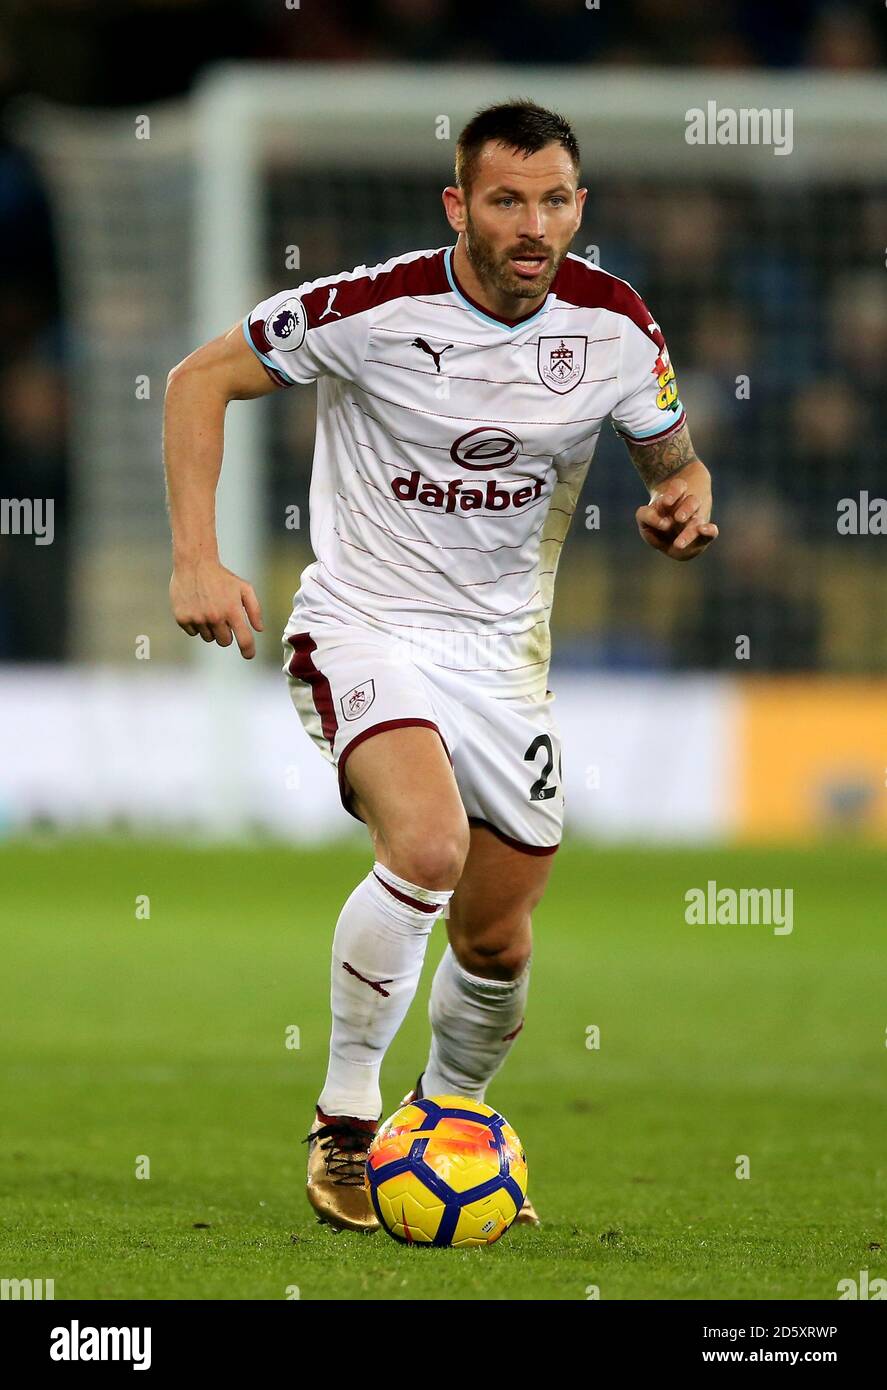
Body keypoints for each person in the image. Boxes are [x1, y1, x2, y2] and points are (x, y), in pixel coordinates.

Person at [163, 100, 717, 1233]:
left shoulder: (614, 326)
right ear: (458, 205)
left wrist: (680, 500)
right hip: (363, 622)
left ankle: (451, 1114)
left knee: (497, 937)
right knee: (424, 845)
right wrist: (197, 559)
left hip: (502, 659)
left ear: (578, 206)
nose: (531, 223)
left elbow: (672, 458)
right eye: (505, 199)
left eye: (553, 199)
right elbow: (195, 379)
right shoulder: (369, 307)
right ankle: (345, 1125)